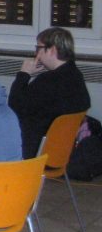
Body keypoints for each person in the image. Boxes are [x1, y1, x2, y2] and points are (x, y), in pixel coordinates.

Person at [8, 27, 91, 158]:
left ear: (52, 50)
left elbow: (14, 106)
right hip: (63, 152)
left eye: (38, 48)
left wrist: (24, 74)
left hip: (36, 151)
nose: (36, 54)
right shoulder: (75, 75)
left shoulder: (48, 81)